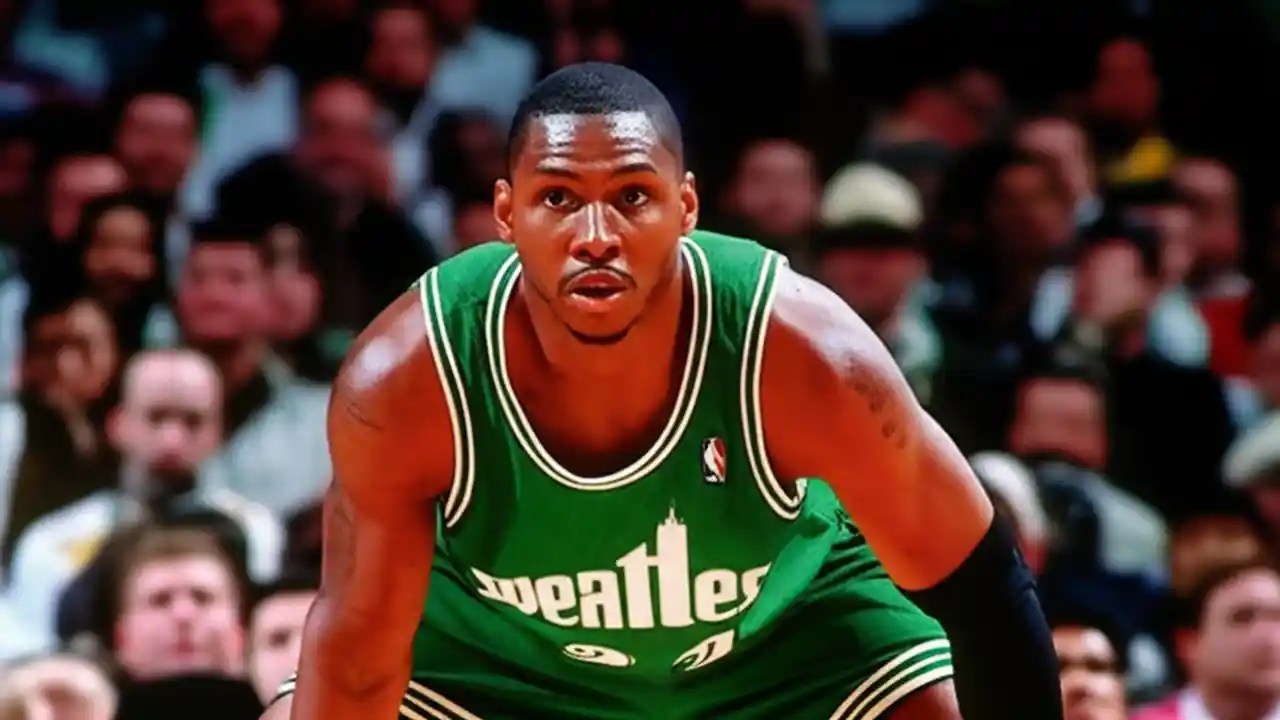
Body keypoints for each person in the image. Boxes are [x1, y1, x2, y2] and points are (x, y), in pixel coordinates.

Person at [269, 63, 1059, 720]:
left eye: (633, 196)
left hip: (790, 644)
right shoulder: (409, 375)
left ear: (686, 208)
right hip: (499, 657)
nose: (596, 236)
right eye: (557, 198)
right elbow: (360, 664)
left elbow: (985, 590)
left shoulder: (805, 350)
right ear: (505, 214)